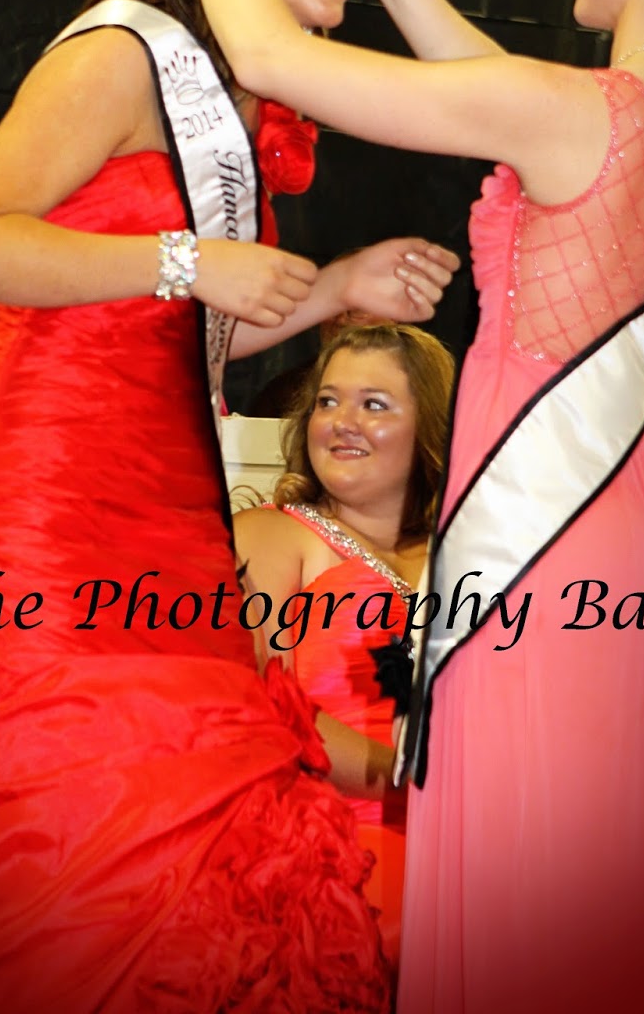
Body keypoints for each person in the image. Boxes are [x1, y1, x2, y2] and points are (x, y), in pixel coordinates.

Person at [169, 0, 644, 1013]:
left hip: (544, 546)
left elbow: (278, 61)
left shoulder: (572, 112)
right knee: (608, 870)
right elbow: (490, 85)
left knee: (531, 869)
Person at [0, 0, 459, 1014]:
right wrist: (189, 257)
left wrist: (338, 282)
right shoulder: (122, 47)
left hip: (168, 485)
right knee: (80, 794)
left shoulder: (246, 104)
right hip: (42, 487)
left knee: (200, 780)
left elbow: (190, 337)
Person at [234, 321, 454, 974]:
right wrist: (425, 783)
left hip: (477, 858)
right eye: (328, 401)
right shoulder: (269, 538)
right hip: (331, 861)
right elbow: (257, 711)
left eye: (374, 404)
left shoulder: (475, 553)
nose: (340, 421)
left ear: (430, 429)